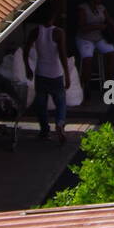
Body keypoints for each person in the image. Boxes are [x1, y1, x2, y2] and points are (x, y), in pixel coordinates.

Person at [25, 11, 70, 143]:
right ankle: (60, 123)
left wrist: (27, 67)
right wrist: (67, 75)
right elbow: (62, 55)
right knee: (61, 102)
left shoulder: (35, 31)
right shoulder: (58, 32)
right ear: (53, 17)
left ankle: (45, 130)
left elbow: (26, 50)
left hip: (41, 73)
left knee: (41, 105)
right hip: (56, 73)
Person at [75, 0, 114, 88]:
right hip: (85, 38)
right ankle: (85, 87)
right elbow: (81, 27)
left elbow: (111, 22)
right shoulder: (83, 8)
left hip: (99, 38)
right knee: (87, 59)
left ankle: (109, 83)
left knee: (112, 53)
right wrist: (97, 26)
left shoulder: (101, 8)